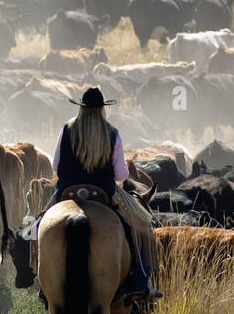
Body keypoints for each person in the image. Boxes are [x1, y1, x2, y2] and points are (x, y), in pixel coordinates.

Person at [50, 86, 161, 300]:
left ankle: (39, 276)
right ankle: (141, 280)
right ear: (102, 109)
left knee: (38, 223)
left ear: (81, 108)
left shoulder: (67, 130)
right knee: (143, 226)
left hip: (67, 190)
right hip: (103, 192)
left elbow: (56, 166)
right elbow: (121, 174)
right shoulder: (112, 133)